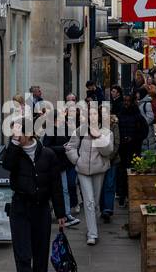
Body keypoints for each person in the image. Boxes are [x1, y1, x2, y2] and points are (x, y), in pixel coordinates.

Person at [4, 99, 66, 272]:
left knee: (40, 255)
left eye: (19, 130)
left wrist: (61, 214)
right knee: (23, 255)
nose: (16, 134)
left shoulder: (47, 154)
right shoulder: (14, 153)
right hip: (20, 209)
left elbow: (56, 187)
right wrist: (13, 143)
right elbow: (6, 165)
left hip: (41, 211)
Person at [66, 98, 118, 246]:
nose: (93, 116)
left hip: (98, 170)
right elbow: (70, 147)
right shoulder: (80, 130)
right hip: (82, 170)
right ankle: (92, 233)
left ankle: (92, 226)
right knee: (88, 201)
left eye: (95, 114)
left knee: (94, 202)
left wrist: (98, 137)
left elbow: (108, 151)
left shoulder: (106, 131)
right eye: (91, 114)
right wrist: (77, 160)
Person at [42, 91, 81, 228]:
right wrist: (62, 148)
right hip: (54, 165)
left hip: (63, 164)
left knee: (64, 189)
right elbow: (46, 147)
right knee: (60, 190)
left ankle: (66, 214)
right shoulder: (50, 130)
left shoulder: (65, 128)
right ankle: (65, 215)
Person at [117, 90, 148, 203]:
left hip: (134, 149)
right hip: (122, 149)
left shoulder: (137, 116)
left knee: (133, 171)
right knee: (122, 172)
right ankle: (122, 195)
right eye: (124, 101)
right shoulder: (120, 115)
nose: (126, 103)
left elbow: (144, 131)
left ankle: (132, 194)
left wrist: (134, 139)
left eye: (128, 101)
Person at [99, 86, 124, 221]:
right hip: (99, 160)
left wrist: (110, 156)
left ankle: (107, 209)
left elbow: (117, 143)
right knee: (101, 185)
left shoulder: (114, 125)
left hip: (112, 160)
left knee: (109, 184)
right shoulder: (97, 126)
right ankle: (102, 207)